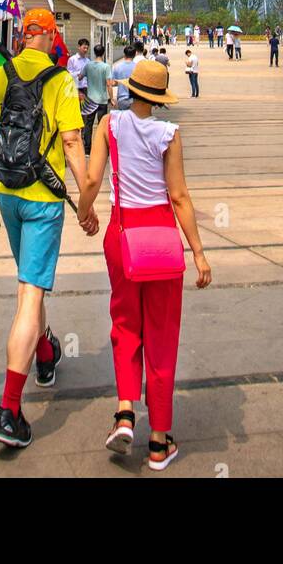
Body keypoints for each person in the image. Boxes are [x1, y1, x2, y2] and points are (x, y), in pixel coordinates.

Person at [0, 7, 98, 450]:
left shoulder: (0, 76)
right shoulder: (62, 80)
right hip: (44, 201)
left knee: (31, 284)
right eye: (54, 34)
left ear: (24, 36)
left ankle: (45, 352)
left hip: (7, 193)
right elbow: (71, 143)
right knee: (30, 294)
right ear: (48, 36)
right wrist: (86, 202)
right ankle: (9, 411)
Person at [78, 59, 211, 469]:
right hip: (160, 240)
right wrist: (199, 252)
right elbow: (179, 196)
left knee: (124, 324)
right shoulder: (168, 134)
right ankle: (159, 440)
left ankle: (124, 412)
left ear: (130, 90)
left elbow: (92, 180)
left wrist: (86, 213)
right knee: (162, 331)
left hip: (121, 235)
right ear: (159, 98)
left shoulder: (108, 125)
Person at [83, 44, 112, 154]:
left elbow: (80, 77)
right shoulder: (106, 67)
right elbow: (109, 84)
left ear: (94, 53)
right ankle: (102, 149)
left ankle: (87, 149)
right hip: (102, 100)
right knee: (102, 125)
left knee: (88, 125)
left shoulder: (88, 65)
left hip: (90, 99)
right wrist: (112, 98)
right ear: (103, 53)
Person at [111, 43, 136, 111]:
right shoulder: (138, 67)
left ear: (124, 54)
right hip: (135, 100)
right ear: (134, 55)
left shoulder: (117, 67)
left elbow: (113, 83)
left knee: (123, 120)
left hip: (122, 99)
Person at [68, 38, 91, 107]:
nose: (85, 50)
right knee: (76, 109)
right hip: (76, 89)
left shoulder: (88, 61)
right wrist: (79, 74)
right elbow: (69, 74)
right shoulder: (72, 60)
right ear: (79, 46)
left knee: (85, 111)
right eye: (84, 48)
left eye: (87, 48)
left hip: (86, 89)